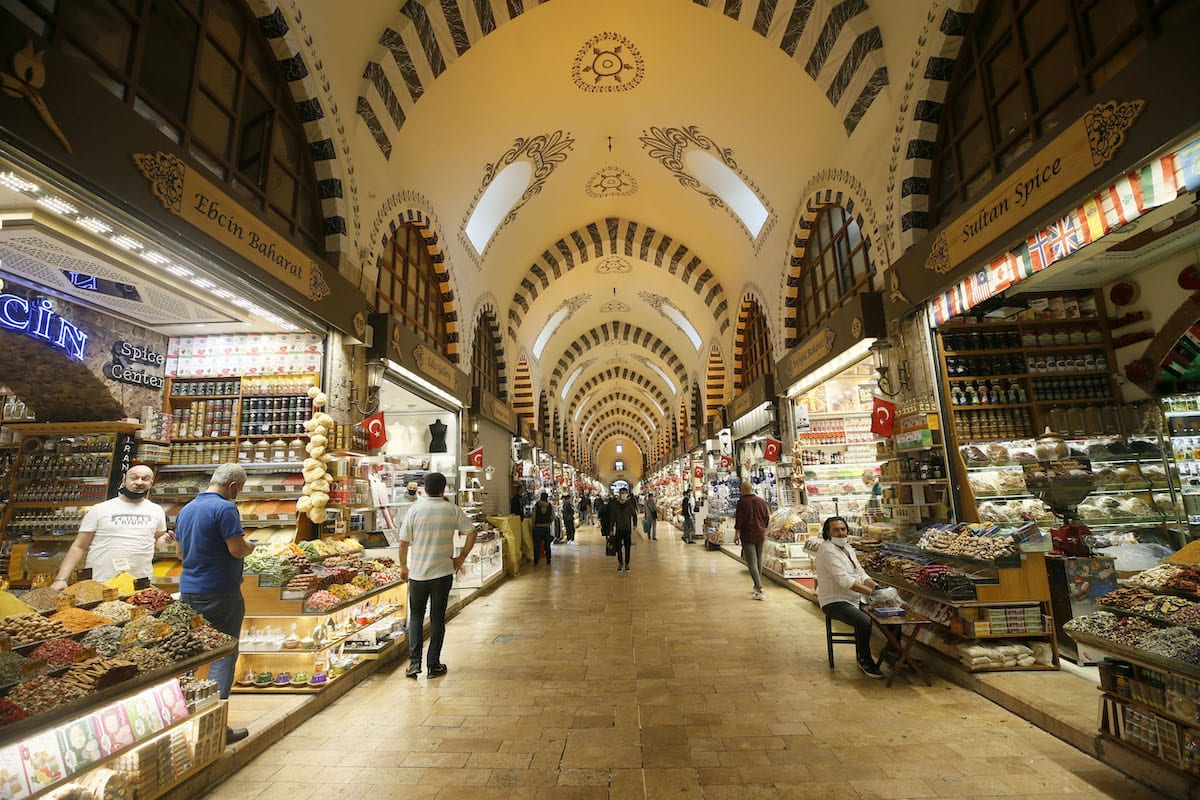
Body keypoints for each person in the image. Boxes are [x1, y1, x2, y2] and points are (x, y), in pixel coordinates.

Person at [175, 463, 256, 742]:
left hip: (189, 591)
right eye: (240, 490)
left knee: (192, 655)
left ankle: (184, 721)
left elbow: (180, 554)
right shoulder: (225, 509)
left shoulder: (186, 510)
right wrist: (251, 546)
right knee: (223, 654)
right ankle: (215, 726)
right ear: (233, 487)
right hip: (221, 592)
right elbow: (236, 549)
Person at [398, 471, 476, 679]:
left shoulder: (415, 509)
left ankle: (414, 664)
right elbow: (471, 532)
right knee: (437, 618)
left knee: (415, 617)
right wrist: (460, 558)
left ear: (424, 488)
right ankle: (433, 664)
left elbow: (404, 541)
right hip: (442, 573)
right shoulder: (452, 510)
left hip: (418, 575)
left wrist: (404, 566)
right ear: (443, 490)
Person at [51, 464, 169, 588]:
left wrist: (166, 540)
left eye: (145, 479)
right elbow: (79, 546)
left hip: (138, 580)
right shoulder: (100, 509)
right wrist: (61, 579)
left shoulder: (156, 510)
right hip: (100, 580)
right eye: (134, 478)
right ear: (124, 480)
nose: (139, 482)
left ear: (151, 483)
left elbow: (158, 540)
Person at [813, 516, 884, 678]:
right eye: (836, 530)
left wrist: (877, 588)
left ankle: (894, 653)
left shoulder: (848, 548)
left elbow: (860, 573)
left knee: (891, 610)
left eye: (843, 529)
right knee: (863, 621)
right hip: (835, 601)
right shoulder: (827, 550)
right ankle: (865, 660)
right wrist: (871, 592)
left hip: (855, 598)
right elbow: (844, 580)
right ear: (828, 533)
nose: (840, 533)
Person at [733, 481, 770, 599]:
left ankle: (759, 588)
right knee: (758, 561)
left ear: (742, 490)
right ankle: (757, 585)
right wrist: (763, 528)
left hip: (747, 535)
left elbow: (739, 520)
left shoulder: (742, 502)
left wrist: (736, 534)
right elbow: (767, 517)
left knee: (752, 562)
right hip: (760, 534)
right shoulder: (761, 501)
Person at [609, 486, 638, 572]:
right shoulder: (615, 505)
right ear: (620, 494)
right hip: (619, 529)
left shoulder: (629, 505)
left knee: (627, 547)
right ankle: (620, 563)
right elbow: (612, 518)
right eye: (623, 493)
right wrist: (611, 529)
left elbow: (634, 515)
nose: (624, 495)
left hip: (627, 529)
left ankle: (627, 564)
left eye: (625, 493)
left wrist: (635, 525)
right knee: (618, 548)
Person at [530, 491, 555, 565]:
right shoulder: (549, 506)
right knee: (547, 545)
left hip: (538, 528)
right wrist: (549, 521)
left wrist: (533, 525)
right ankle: (548, 560)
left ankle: (536, 561)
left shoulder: (537, 505)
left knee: (537, 545)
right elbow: (553, 517)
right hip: (546, 527)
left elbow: (533, 517)